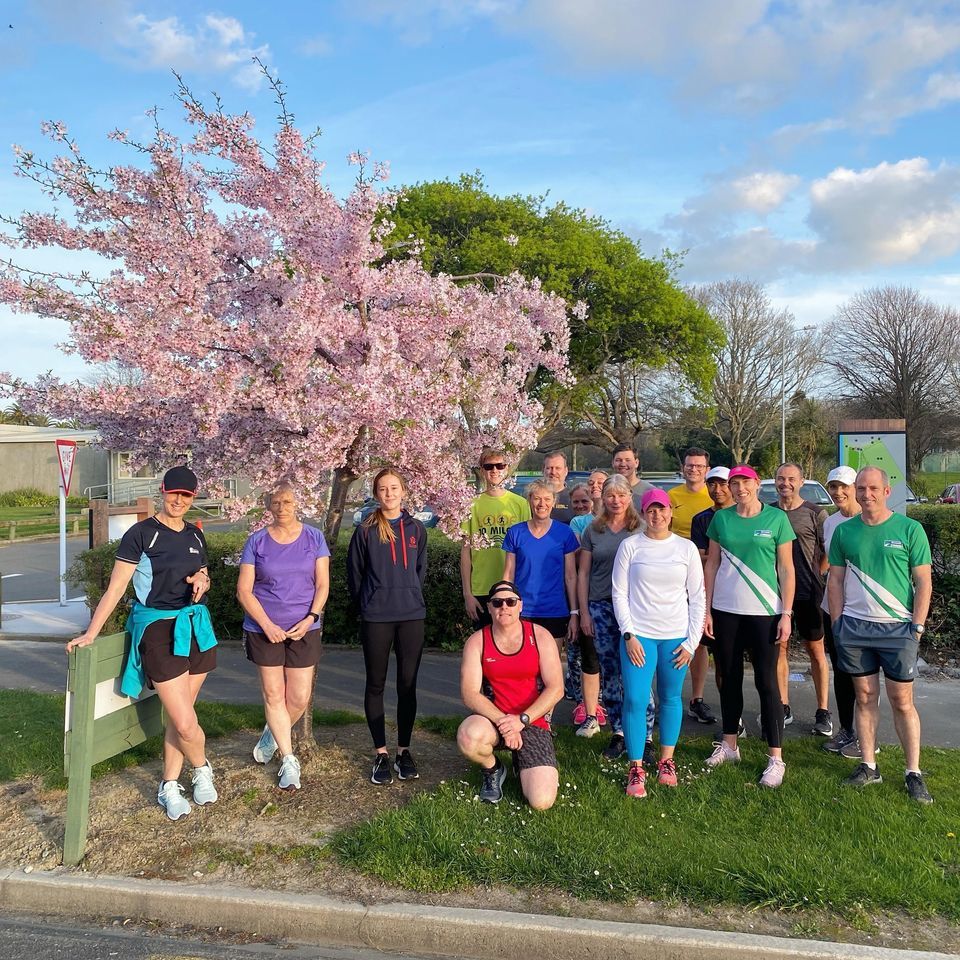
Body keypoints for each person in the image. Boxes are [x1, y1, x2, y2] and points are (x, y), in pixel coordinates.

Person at [66, 466, 217, 821]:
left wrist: (203, 579)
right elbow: (117, 587)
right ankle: (202, 768)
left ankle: (168, 784)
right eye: (174, 493)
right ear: (162, 491)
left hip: (195, 628)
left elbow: (205, 572)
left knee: (183, 716)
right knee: (184, 722)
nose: (179, 500)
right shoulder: (142, 534)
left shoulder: (196, 536)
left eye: (187, 495)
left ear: (193, 498)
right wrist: (91, 633)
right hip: (157, 631)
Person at [828, 466, 933, 803]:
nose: (866, 494)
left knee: (902, 701)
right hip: (855, 629)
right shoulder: (844, 532)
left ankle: (913, 772)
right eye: (861, 488)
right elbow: (835, 580)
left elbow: (924, 582)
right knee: (864, 697)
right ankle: (869, 765)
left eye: (873, 488)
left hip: (898, 629)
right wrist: (838, 623)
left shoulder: (910, 529)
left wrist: (917, 626)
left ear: (887, 491)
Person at [703, 465, 796, 788]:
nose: (739, 488)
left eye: (745, 482)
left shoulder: (776, 520)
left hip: (765, 613)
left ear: (757, 485)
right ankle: (730, 745)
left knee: (767, 682)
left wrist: (786, 613)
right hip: (726, 611)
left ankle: (775, 757)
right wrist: (707, 609)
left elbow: (786, 568)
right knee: (728, 678)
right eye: (734, 483)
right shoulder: (722, 519)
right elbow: (712, 564)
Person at [236, 482, 330, 791]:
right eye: (276, 503)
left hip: (304, 627)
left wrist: (311, 617)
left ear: (296, 503)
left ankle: (272, 733)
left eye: (287, 502)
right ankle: (289, 759)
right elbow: (244, 590)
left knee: (299, 697)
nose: (282, 508)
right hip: (264, 629)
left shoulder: (314, 538)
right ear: (268, 506)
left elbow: (322, 585)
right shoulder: (257, 541)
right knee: (274, 694)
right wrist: (265, 624)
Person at [612, 489, 706, 797]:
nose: (657, 515)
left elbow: (698, 597)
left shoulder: (686, 548)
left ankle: (667, 761)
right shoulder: (630, 546)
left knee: (670, 698)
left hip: (676, 638)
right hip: (639, 637)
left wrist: (691, 642)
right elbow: (619, 594)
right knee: (636, 700)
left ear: (670, 512)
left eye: (662, 509)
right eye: (651, 510)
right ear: (642, 513)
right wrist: (629, 634)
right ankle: (636, 766)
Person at [347, 468, 428, 786]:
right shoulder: (365, 530)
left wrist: (411, 595)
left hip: (411, 615)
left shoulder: (417, 529)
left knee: (408, 685)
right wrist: (368, 603)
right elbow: (355, 575)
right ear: (376, 494)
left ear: (403, 491)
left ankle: (403, 751)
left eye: (394, 488)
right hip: (376, 617)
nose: (389, 493)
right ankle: (381, 753)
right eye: (383, 489)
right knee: (376, 684)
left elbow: (420, 571)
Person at [456, 580, 563, 808]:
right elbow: (469, 693)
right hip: (495, 720)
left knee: (541, 801)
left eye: (510, 601)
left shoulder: (540, 636)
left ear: (520, 606)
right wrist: (506, 723)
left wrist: (521, 720)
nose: (504, 607)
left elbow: (556, 688)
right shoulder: (477, 642)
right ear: (490, 607)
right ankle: (493, 769)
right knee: (468, 735)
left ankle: (521, 761)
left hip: (532, 721)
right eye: (497, 602)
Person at [576, 475, 644, 748]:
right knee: (610, 672)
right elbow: (582, 573)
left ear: (630, 497)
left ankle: (642, 729)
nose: (616, 501)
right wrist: (583, 612)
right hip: (601, 606)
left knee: (637, 669)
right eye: (610, 495)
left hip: (634, 609)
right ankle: (618, 730)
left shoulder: (641, 528)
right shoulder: (593, 530)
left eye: (621, 495)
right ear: (602, 498)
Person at [502, 481, 580, 720]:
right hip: (522, 610)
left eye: (547, 499)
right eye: (537, 499)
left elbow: (570, 575)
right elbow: (509, 573)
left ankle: (545, 720)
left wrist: (575, 612)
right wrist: (505, 604)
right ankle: (521, 716)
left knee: (551, 668)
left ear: (554, 502)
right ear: (529, 501)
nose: (542, 504)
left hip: (554, 610)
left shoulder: (564, 533)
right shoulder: (516, 532)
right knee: (522, 666)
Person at [772, 463, 831, 735]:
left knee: (816, 651)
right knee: (779, 649)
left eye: (791, 479)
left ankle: (823, 711)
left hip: (809, 594)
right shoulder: (768, 512)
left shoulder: (816, 513)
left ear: (802, 481)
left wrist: (816, 576)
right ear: (775, 481)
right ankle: (782, 706)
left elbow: (828, 551)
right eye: (781, 478)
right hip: (776, 595)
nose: (786, 483)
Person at [690, 466, 744, 738]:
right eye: (712, 484)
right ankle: (731, 722)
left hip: (743, 599)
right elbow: (702, 557)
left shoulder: (746, 515)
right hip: (710, 595)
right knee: (719, 659)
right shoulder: (701, 520)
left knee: (737, 662)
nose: (717, 489)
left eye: (723, 484)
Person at [668, 447, 717, 726]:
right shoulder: (672, 496)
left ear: (707, 469)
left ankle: (696, 699)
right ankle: (668, 699)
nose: (694, 469)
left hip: (708, 572)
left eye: (699, 466)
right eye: (690, 465)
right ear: (683, 467)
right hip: (676, 575)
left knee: (700, 640)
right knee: (673, 636)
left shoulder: (716, 495)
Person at [460, 448, 530, 629]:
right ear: (482, 470)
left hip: (513, 587)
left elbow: (527, 550)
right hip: (482, 587)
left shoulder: (520, 504)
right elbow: (466, 552)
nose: (494, 470)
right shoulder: (471, 505)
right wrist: (467, 594)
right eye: (489, 466)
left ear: (507, 469)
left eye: (500, 465)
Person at [819, 466, 862, 758]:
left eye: (844, 486)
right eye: (833, 487)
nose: (838, 492)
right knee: (842, 672)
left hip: (862, 611)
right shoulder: (830, 522)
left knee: (863, 677)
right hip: (833, 607)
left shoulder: (869, 520)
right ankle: (847, 730)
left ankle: (864, 734)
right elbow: (829, 564)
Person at [611, 443, 653, 510]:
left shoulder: (650, 491)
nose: (623, 464)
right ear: (613, 463)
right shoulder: (606, 491)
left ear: (636, 463)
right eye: (618, 460)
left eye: (628, 460)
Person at [570, 470, 609, 541]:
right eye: (591, 483)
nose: (594, 485)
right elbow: (577, 549)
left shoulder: (618, 517)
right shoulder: (577, 521)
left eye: (600, 483)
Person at [542, 451, 574, 523]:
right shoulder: (533, 497)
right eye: (549, 468)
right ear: (543, 470)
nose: (553, 472)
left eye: (558, 468)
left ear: (566, 471)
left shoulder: (574, 497)